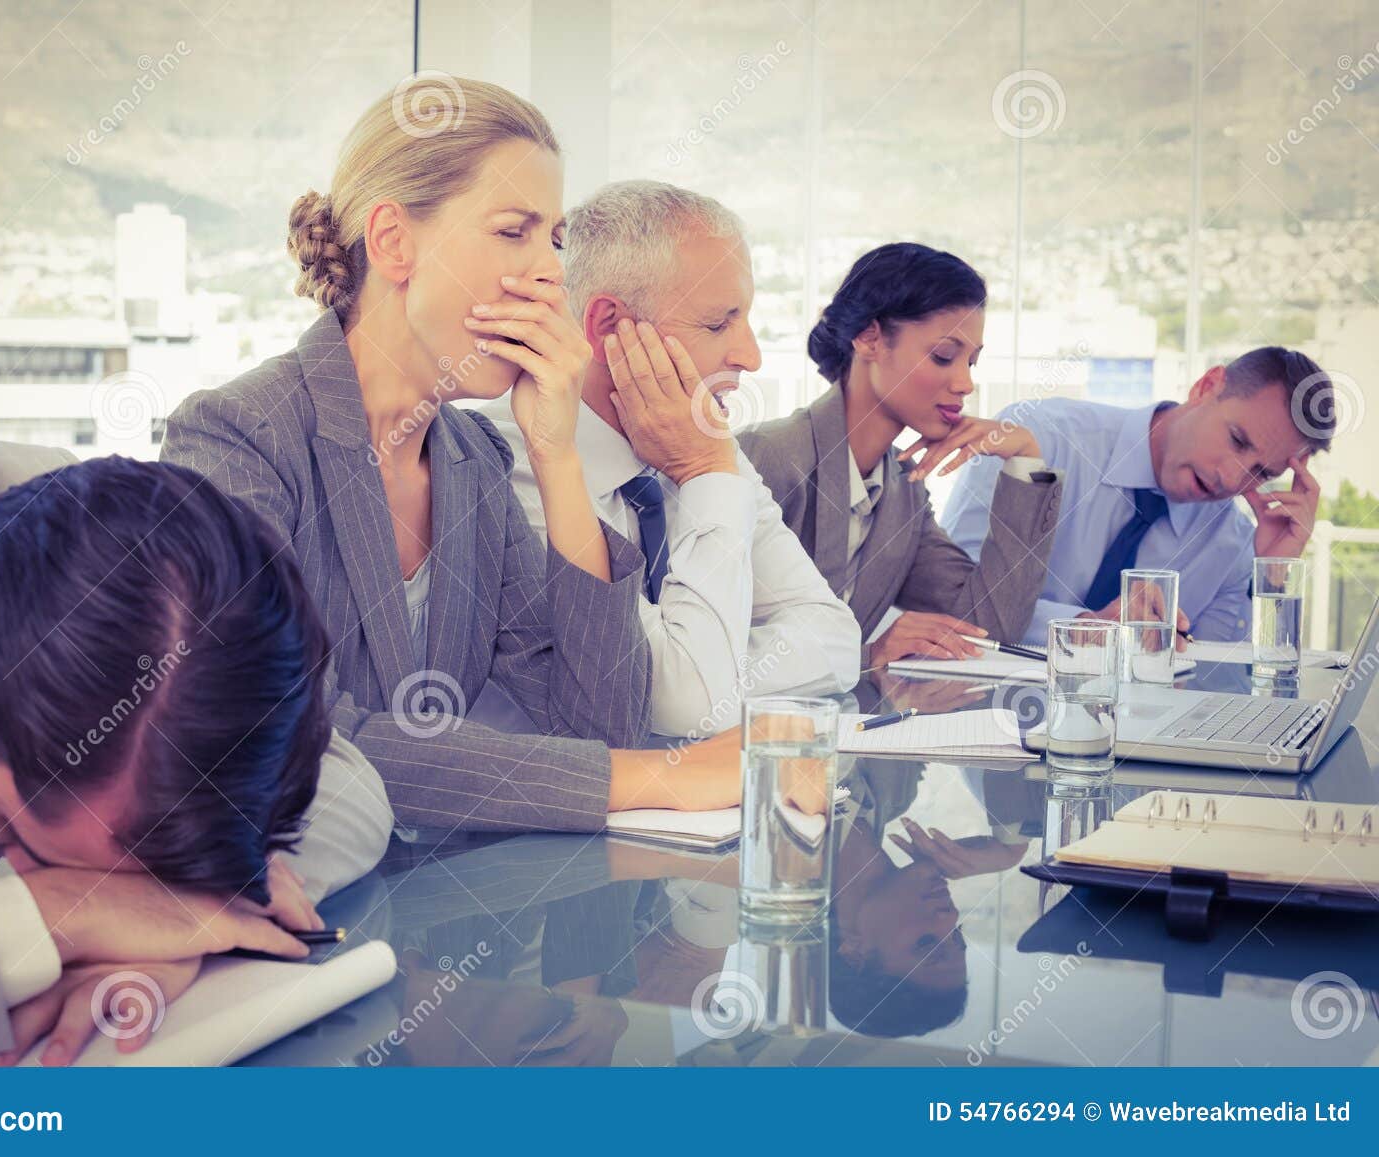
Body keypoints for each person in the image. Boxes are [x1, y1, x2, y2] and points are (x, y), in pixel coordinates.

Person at [161, 76, 741, 832]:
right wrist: (656, 779)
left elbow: (601, 721)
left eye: (554, 239)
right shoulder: (238, 437)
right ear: (394, 242)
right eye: (513, 231)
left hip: (430, 915)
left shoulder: (475, 461)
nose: (549, 272)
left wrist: (557, 454)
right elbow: (288, 741)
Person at [0, 369, 394, 1067]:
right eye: (25, 840)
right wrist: (46, 920)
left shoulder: (117, 547)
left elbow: (348, 780)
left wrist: (193, 904)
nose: (99, 887)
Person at [478, 180, 860, 738]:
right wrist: (705, 474)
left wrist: (705, 676)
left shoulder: (706, 443)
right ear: (609, 325)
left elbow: (836, 640)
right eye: (717, 323)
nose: (749, 356)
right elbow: (681, 706)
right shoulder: (507, 459)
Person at [740, 243, 1063, 669]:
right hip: (732, 732)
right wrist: (867, 657)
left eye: (972, 362)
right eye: (944, 356)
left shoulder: (903, 492)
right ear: (869, 338)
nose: (965, 383)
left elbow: (988, 626)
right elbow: (708, 653)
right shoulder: (767, 458)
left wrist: (1025, 459)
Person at [941, 345, 1334, 644]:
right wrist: (1083, 629)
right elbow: (952, 597)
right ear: (1206, 386)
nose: (1230, 479)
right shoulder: (1040, 437)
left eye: (1262, 472)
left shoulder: (1234, 546)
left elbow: (1220, 689)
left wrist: (1271, 572)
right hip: (980, 720)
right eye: (1236, 440)